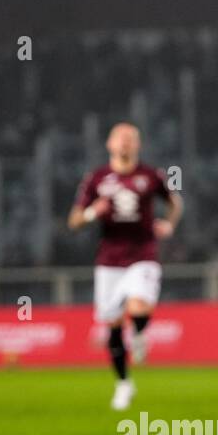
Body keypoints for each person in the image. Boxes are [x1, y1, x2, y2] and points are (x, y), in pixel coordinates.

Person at [68, 123, 182, 410]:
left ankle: (141, 333)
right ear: (109, 143)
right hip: (109, 260)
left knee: (139, 306)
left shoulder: (151, 176)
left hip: (143, 253)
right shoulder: (96, 178)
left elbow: (174, 203)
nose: (126, 143)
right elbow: (74, 220)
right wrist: (95, 212)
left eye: (131, 139)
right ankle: (123, 384)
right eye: (121, 138)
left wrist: (168, 223)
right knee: (114, 324)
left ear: (138, 145)